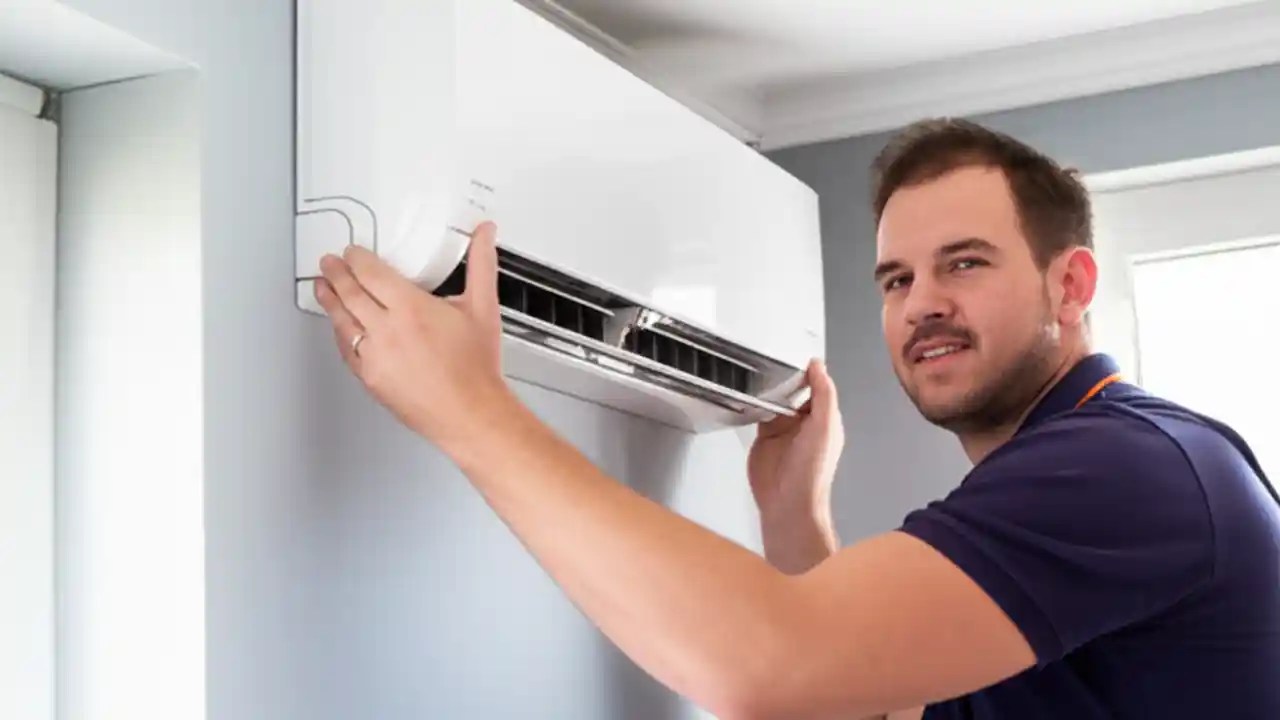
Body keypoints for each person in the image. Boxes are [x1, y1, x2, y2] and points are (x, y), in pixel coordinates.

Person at [311, 118, 1280, 719]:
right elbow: (861, 707)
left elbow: (763, 669)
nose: (919, 303)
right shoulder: (1077, 479)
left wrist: (473, 413)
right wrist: (794, 522)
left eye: (964, 262)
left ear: (1069, 284)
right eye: (895, 278)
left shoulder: (1124, 470)